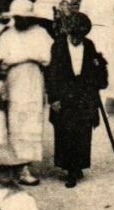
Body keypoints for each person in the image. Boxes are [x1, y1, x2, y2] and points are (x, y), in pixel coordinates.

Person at [0, 0, 52, 186]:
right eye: (17, 18)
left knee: (31, 121)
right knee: (14, 121)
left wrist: (29, 57)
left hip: (33, 79)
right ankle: (13, 164)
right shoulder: (7, 35)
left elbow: (47, 57)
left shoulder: (40, 34)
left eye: (23, 18)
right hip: (14, 81)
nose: (20, 21)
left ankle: (25, 167)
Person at [45, 12, 107, 188]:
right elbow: (51, 75)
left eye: (79, 36)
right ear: (68, 32)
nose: (76, 40)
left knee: (83, 131)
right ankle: (70, 169)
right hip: (64, 95)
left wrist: (98, 71)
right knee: (66, 131)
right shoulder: (57, 47)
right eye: (73, 35)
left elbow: (96, 69)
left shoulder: (89, 45)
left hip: (84, 95)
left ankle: (78, 165)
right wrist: (54, 98)